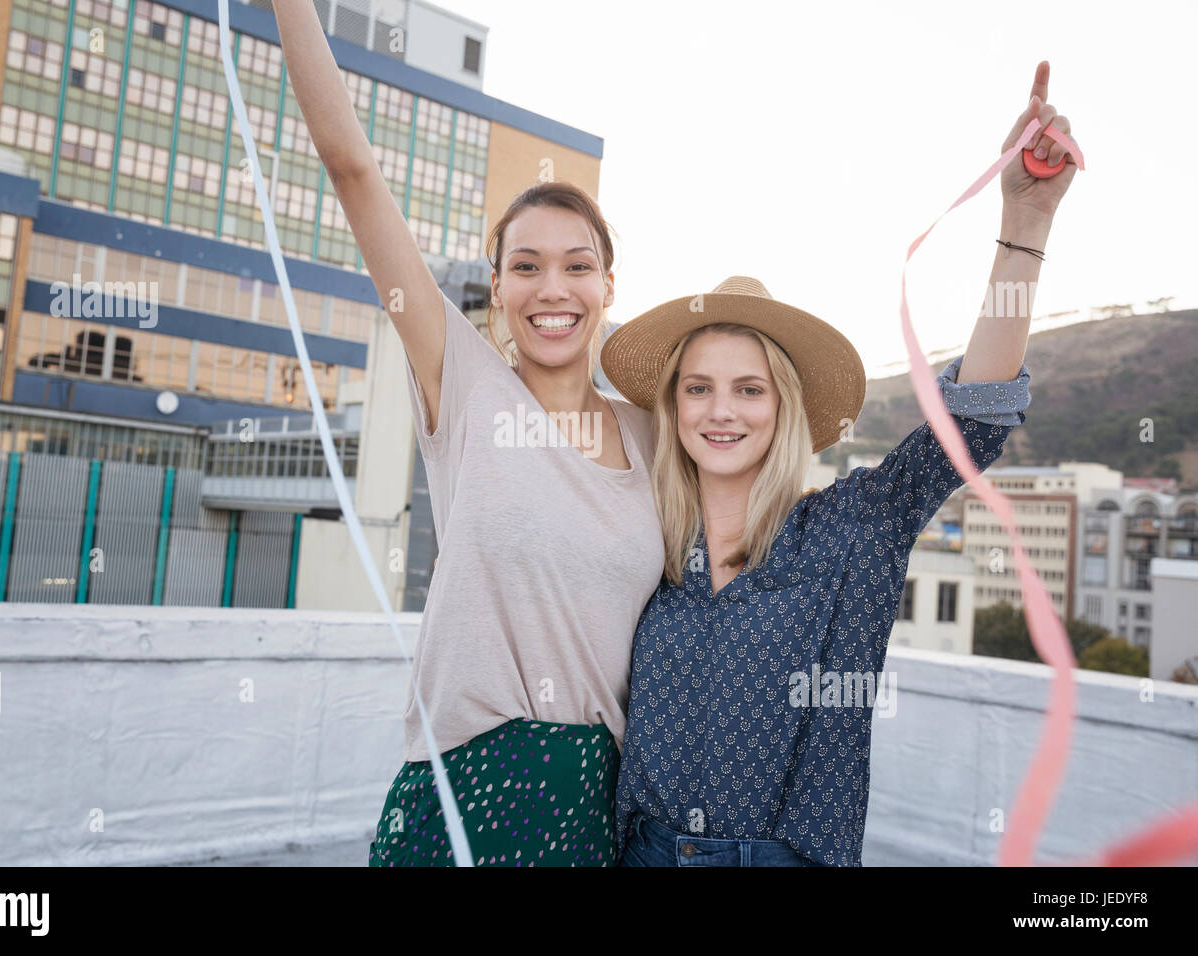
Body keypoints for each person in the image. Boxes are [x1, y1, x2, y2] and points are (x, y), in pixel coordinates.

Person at [601, 61, 1077, 867]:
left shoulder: (854, 529)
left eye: (749, 389)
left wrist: (1025, 221)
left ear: (783, 408)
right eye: (700, 388)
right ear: (673, 407)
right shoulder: (639, 543)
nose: (723, 411)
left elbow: (975, 415)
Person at [274, 1, 664, 865]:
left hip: (594, 804)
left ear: (608, 287)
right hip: (459, 781)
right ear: (495, 287)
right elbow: (352, 170)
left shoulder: (651, 435)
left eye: (577, 266)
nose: (551, 287)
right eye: (525, 266)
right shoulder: (464, 384)